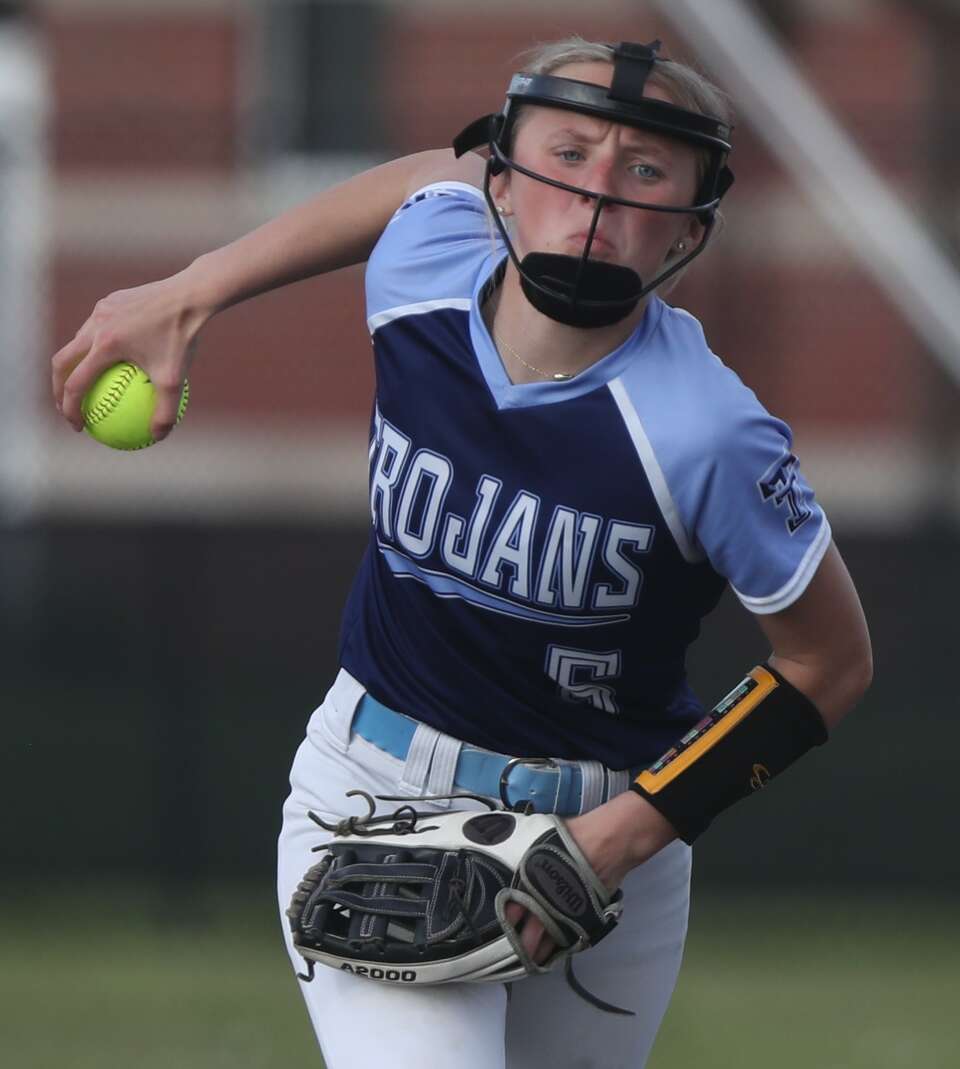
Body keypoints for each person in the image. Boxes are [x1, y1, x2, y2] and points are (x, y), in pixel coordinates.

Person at [52, 35, 872, 1069]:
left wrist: (626, 836)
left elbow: (829, 662)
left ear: (690, 227)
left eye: (646, 172)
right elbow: (417, 182)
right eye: (565, 155)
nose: (597, 197)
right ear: (503, 176)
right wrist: (189, 291)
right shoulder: (424, 267)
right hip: (375, 797)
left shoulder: (709, 432)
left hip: (612, 839)